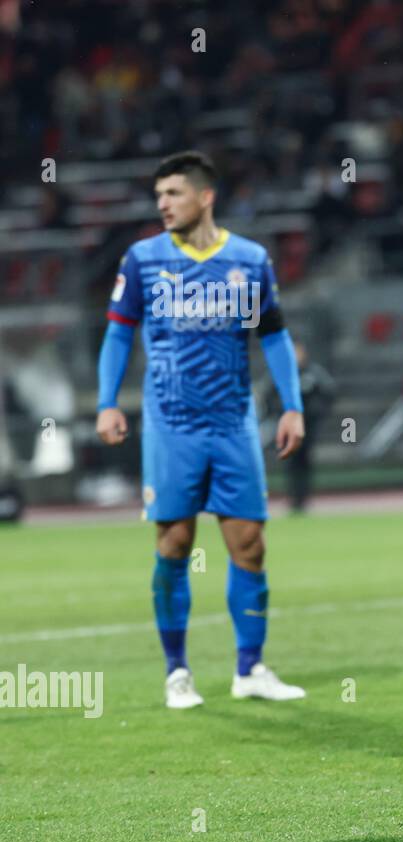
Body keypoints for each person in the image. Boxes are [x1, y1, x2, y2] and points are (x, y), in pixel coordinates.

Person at [95, 150, 307, 709]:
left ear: (204, 196)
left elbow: (276, 336)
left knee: (250, 545)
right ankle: (176, 672)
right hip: (171, 425)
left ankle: (250, 668)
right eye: (159, 195)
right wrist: (107, 402)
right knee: (175, 542)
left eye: (173, 194)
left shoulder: (249, 259)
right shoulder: (142, 260)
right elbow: (118, 333)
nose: (162, 204)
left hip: (233, 424)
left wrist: (292, 405)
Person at [285, 341, 335, 512]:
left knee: (305, 461)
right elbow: (270, 394)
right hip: (289, 426)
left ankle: (304, 497)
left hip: (308, 425)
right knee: (291, 462)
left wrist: (317, 413)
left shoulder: (314, 373)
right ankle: (294, 497)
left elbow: (329, 392)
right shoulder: (283, 373)